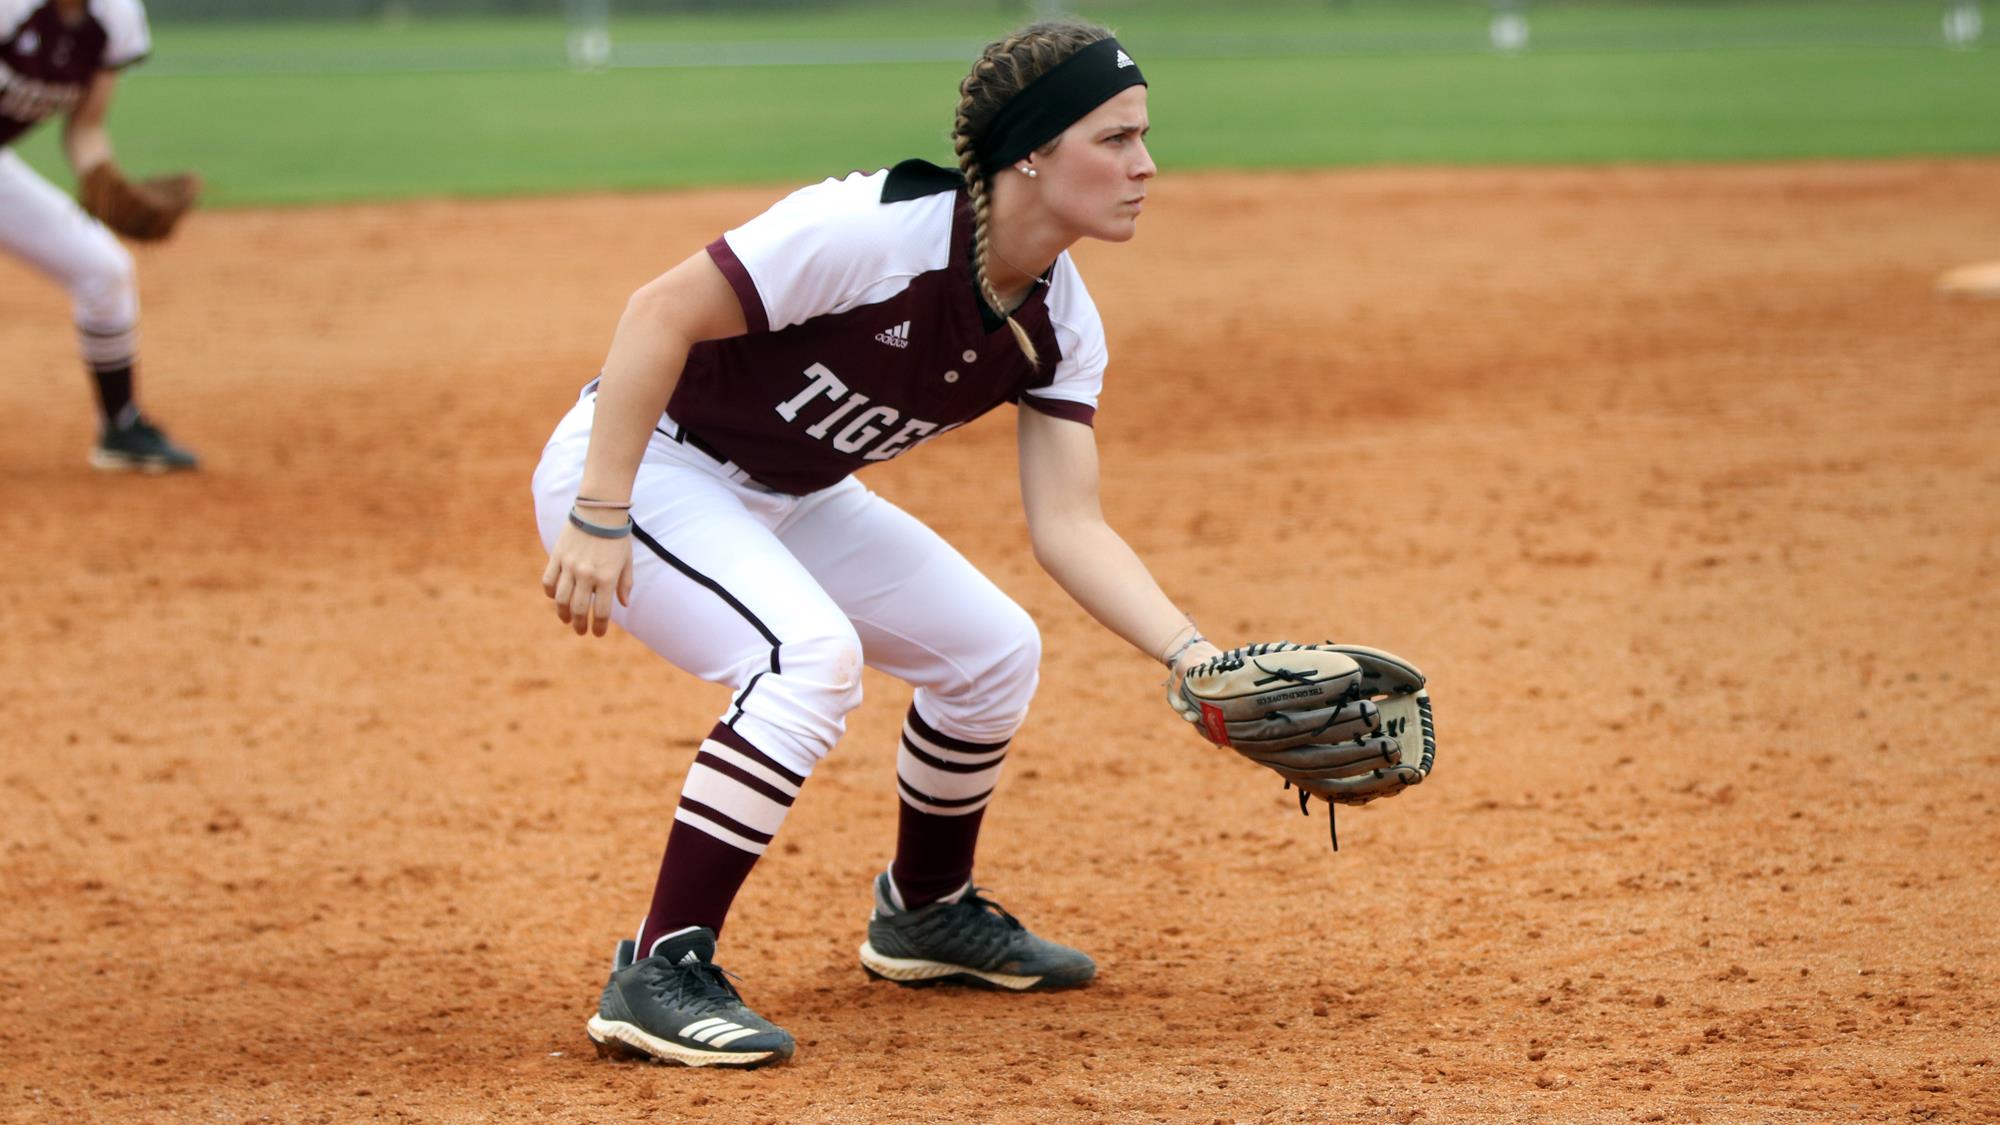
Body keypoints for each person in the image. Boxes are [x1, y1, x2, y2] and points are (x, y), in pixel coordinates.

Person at [533, 19, 1219, 1069]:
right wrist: (599, 509)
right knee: (803, 657)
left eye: (1142, 138)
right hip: (652, 465)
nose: (1145, 165)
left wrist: (1196, 661)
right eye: (1115, 139)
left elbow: (1069, 525)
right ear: (1030, 152)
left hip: (792, 494)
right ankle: (658, 966)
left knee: (992, 651)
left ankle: (925, 910)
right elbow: (657, 312)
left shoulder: (1060, 322)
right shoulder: (875, 230)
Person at [0, 0, 197, 471]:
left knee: (103, 269)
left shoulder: (117, 18)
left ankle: (121, 428)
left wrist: (107, 184)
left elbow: (85, 129)